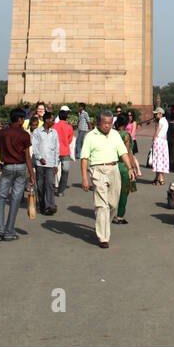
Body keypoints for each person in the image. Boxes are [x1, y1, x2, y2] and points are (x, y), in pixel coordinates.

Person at [79, 110, 140, 248]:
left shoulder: (115, 135)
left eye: (109, 123)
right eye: (104, 123)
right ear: (99, 123)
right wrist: (84, 178)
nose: (107, 126)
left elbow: (123, 152)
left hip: (114, 169)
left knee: (112, 204)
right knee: (102, 205)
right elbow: (84, 158)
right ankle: (103, 237)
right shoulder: (90, 136)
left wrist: (130, 168)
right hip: (97, 170)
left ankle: (102, 224)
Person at [0, 109, 33, 241]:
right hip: (21, 168)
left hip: (7, 167)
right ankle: (9, 231)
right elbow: (27, 156)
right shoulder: (24, 135)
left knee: (1, 198)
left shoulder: (3, 132)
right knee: (15, 199)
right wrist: (31, 173)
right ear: (20, 120)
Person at [31, 108, 60, 216]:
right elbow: (34, 146)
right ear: (46, 120)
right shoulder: (37, 132)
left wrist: (56, 163)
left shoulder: (54, 132)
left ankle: (50, 205)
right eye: (52, 120)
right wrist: (39, 157)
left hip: (51, 162)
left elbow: (57, 148)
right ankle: (42, 204)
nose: (53, 122)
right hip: (40, 163)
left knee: (49, 184)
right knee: (41, 184)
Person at [113, 111, 139, 225]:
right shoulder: (125, 135)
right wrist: (133, 167)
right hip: (124, 166)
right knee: (124, 192)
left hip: (113, 164)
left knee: (113, 191)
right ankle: (120, 215)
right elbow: (128, 152)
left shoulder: (112, 133)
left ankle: (110, 212)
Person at [53, 105, 75, 195]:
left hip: (55, 152)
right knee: (65, 172)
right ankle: (61, 190)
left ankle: (50, 188)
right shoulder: (69, 127)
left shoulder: (54, 126)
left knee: (52, 170)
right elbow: (70, 140)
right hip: (65, 151)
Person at [150, 106, 170, 185]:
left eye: (156, 114)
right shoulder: (165, 121)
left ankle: (161, 178)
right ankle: (157, 178)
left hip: (159, 141)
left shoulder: (161, 121)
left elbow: (157, 131)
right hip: (164, 141)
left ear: (161, 114)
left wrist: (153, 139)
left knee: (158, 159)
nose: (155, 115)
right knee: (162, 159)